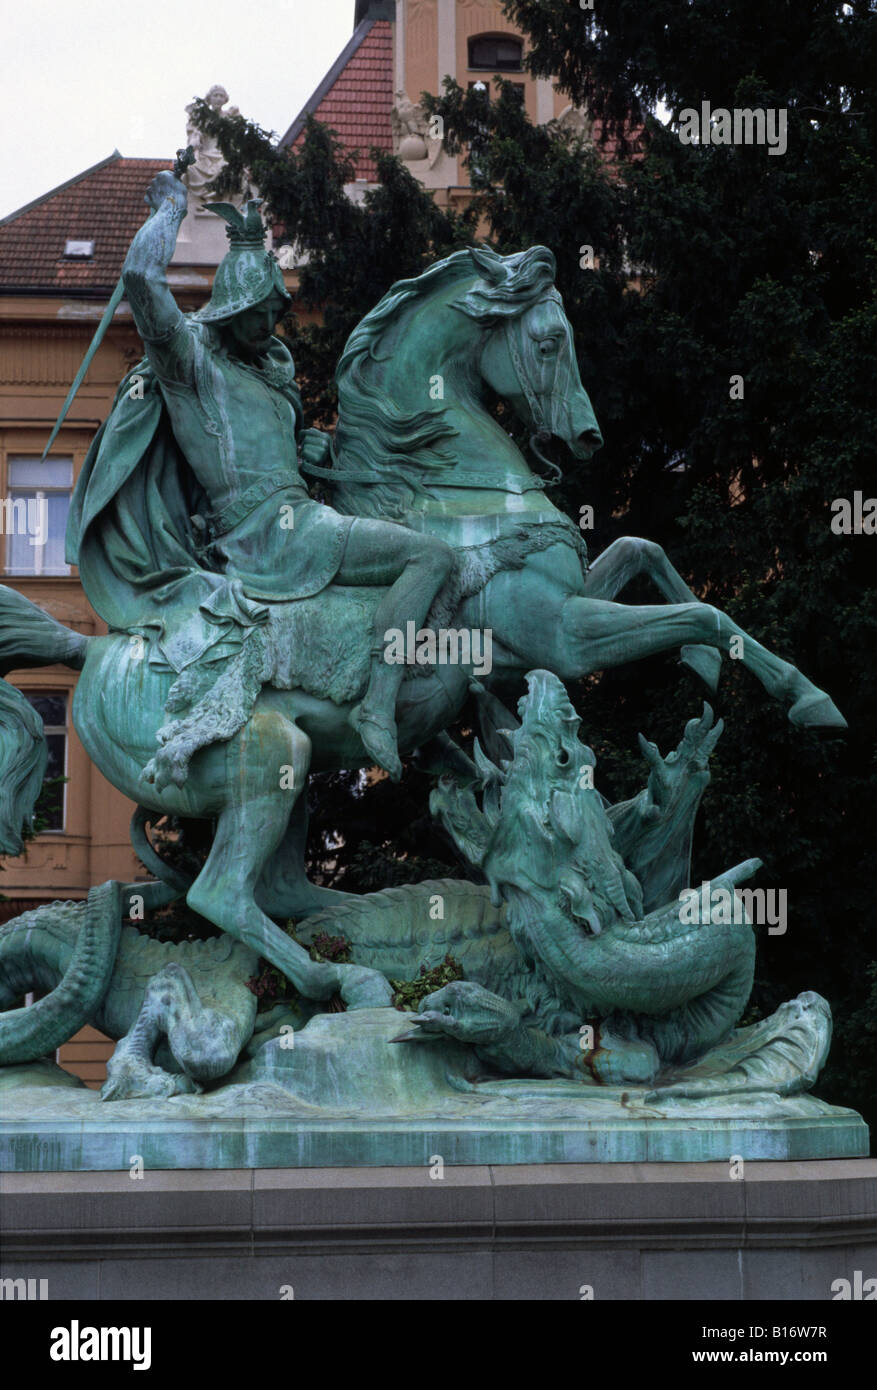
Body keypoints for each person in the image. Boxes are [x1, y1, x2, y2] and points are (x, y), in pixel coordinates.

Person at [73, 171, 454, 780]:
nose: (271, 324)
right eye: (258, 311)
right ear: (232, 305)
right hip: (270, 537)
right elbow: (143, 279)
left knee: (420, 561)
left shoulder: (272, 376)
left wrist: (309, 450)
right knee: (430, 558)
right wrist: (170, 209)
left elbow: (280, 453)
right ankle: (378, 708)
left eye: (275, 310)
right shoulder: (190, 364)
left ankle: (416, 718)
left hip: (302, 519)